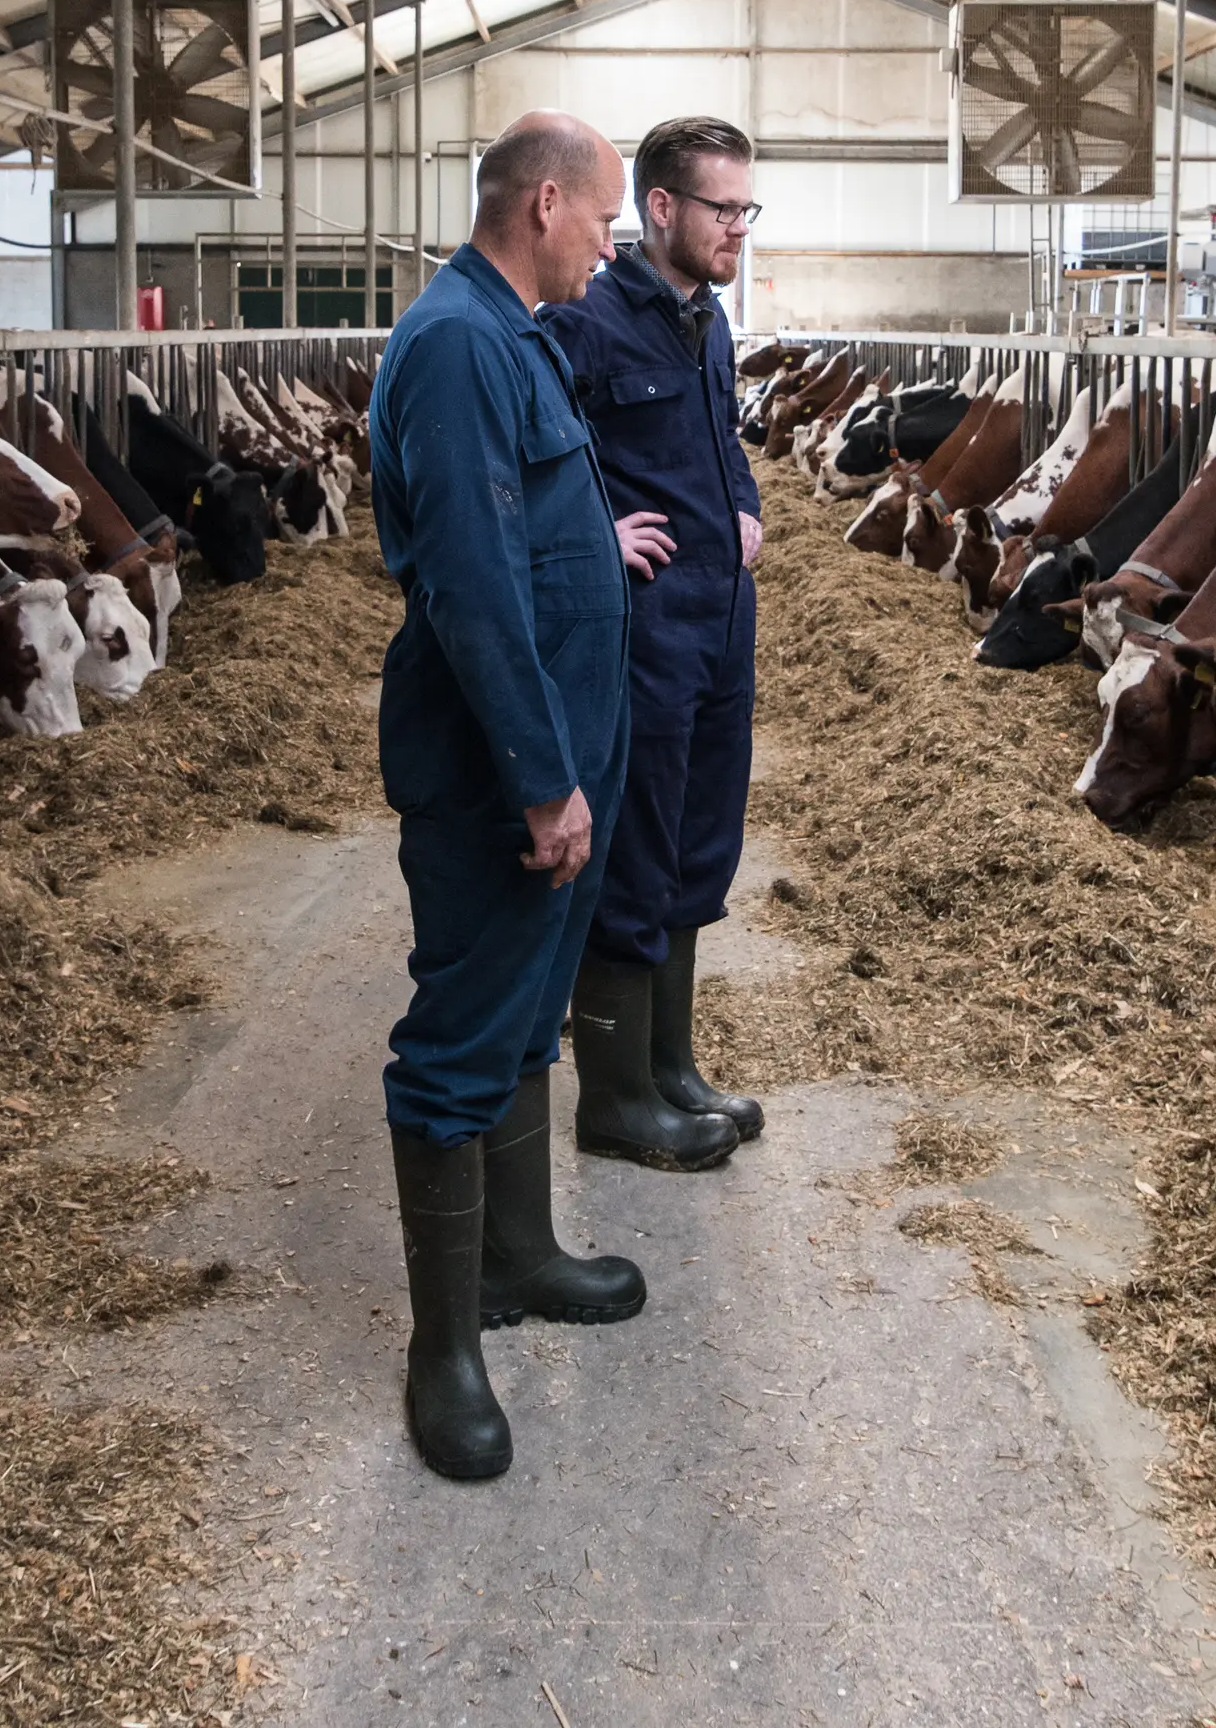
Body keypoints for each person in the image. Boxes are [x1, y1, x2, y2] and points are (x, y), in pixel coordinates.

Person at [363, 110, 677, 1483]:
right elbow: (472, 585)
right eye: (605, 218)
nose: (611, 244)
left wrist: (590, 542)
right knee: (460, 1028)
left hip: (564, 746)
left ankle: (520, 1251)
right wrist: (545, 780)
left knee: (524, 1013)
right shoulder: (456, 343)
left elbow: (520, 524)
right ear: (542, 202)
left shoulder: (515, 336)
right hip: (502, 767)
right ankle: (444, 1349)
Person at [539, 116, 764, 1171]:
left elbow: (722, 443)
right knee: (634, 852)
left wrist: (748, 504)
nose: (739, 229)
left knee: (696, 847)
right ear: (662, 208)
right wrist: (591, 533)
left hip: (722, 624)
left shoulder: (708, 321)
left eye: (747, 210)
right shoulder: (589, 318)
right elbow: (529, 447)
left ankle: (671, 1066)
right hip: (646, 635)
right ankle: (616, 1097)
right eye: (725, 209)